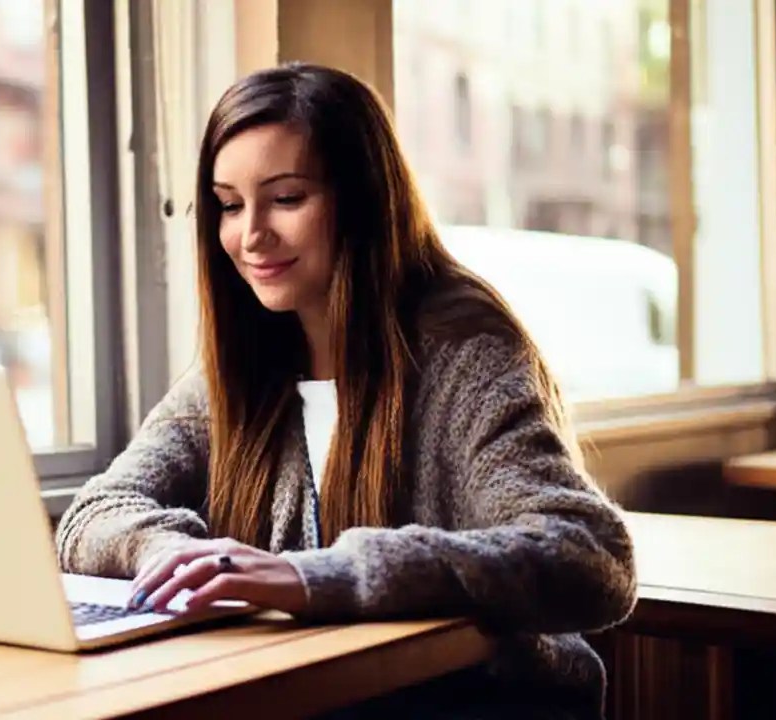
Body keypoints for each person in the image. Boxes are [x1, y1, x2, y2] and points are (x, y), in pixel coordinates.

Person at [55, 63, 636, 719]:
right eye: (228, 205)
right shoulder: (246, 363)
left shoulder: (466, 351)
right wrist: (182, 557)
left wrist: (316, 578)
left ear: (361, 200)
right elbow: (95, 512)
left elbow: (588, 553)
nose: (250, 237)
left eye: (286, 198)